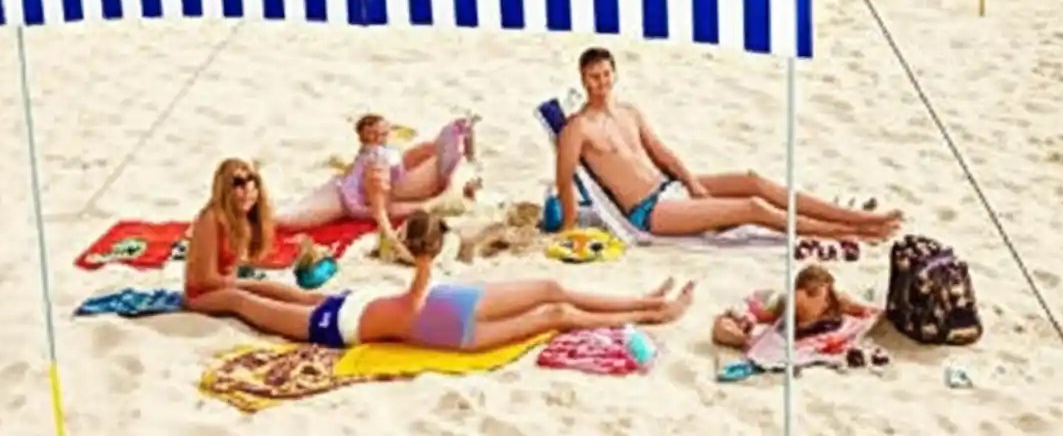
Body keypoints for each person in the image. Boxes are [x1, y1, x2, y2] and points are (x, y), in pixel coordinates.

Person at [190, 210, 696, 351]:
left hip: (395, 311)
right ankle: (652, 310)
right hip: (429, 317)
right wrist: (424, 266)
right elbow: (410, 303)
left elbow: (411, 301)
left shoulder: (419, 283)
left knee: (552, 295)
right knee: (555, 310)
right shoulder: (418, 285)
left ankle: (648, 304)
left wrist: (423, 266)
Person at [554, 47, 903, 240]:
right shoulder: (578, 127)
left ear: (614, 74)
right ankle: (848, 231)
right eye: (593, 77)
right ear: (583, 80)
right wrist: (569, 224)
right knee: (751, 206)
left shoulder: (630, 112)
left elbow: (663, 155)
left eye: (605, 74)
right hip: (650, 211)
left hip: (671, 188)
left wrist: (692, 184)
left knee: (752, 180)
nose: (601, 82)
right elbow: (565, 178)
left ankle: (861, 217)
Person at [276, 113, 481, 244]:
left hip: (360, 189)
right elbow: (380, 207)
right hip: (353, 195)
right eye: (380, 134)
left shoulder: (388, 156)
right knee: (291, 217)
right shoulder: (379, 161)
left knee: (293, 214)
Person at [184, 158, 326, 309]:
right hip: (200, 295)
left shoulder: (241, 220)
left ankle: (331, 302)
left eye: (252, 186)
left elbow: (242, 263)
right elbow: (206, 279)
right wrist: (243, 284)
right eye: (238, 184)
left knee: (273, 289)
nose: (247, 193)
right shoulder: (211, 219)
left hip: (224, 286)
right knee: (242, 297)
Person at [711, 264, 879, 349]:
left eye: (813, 293)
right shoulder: (786, 305)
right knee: (724, 329)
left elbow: (873, 313)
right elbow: (755, 314)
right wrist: (744, 327)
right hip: (772, 313)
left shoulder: (837, 304)